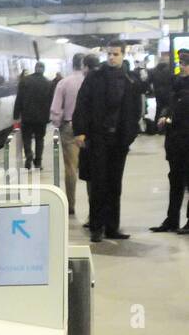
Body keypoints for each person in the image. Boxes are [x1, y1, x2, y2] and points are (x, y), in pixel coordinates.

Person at [73, 41, 142, 243]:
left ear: (123, 55)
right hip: (98, 139)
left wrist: (131, 134)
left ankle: (112, 227)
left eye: (116, 54)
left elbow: (136, 107)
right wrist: (80, 132)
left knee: (115, 184)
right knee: (99, 184)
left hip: (119, 140)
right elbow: (82, 104)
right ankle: (96, 227)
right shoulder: (95, 77)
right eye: (109, 54)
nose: (112, 57)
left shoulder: (130, 79)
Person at [151, 47, 189, 233]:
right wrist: (165, 115)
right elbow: (168, 104)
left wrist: (170, 118)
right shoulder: (176, 83)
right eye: (181, 63)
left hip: (186, 139)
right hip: (174, 141)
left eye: (186, 64)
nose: (182, 67)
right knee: (175, 181)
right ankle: (172, 219)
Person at [50, 53, 90, 214]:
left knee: (70, 168)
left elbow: (55, 109)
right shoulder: (91, 82)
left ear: (72, 65)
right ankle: (92, 207)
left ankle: (70, 205)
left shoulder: (63, 83)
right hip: (89, 129)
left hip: (69, 127)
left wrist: (59, 124)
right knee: (91, 168)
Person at [13, 61, 55, 170]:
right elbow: (51, 101)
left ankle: (29, 155)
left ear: (35, 68)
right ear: (43, 70)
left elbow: (19, 99)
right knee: (40, 139)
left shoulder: (25, 81)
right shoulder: (48, 83)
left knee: (26, 138)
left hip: (27, 116)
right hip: (42, 118)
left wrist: (16, 115)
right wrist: (50, 116)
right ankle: (38, 162)